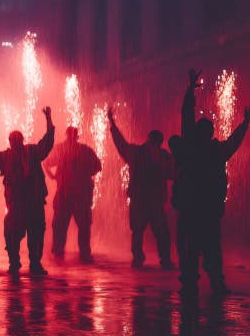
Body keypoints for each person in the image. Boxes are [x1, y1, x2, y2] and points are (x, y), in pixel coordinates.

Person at [173, 69, 249, 296]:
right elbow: (187, 115)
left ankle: (204, 281)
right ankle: (199, 282)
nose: (209, 133)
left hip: (201, 208)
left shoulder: (206, 150)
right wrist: (190, 91)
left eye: (209, 130)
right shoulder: (196, 149)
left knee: (206, 248)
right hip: (196, 207)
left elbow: (233, 142)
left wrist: (245, 124)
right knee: (198, 248)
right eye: (206, 130)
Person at [0, 107, 55, 276]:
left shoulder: (32, 151)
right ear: (10, 141)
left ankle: (34, 263)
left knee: (36, 234)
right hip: (17, 203)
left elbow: (47, 142)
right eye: (12, 139)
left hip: (32, 202)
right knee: (12, 233)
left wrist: (49, 119)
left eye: (17, 139)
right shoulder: (7, 156)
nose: (15, 142)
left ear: (21, 139)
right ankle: (14, 262)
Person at [108, 107, 175, 269]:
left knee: (151, 232)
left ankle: (149, 259)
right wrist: (112, 124)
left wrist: (112, 124)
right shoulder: (154, 155)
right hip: (147, 201)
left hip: (147, 201)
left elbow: (121, 144)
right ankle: (149, 259)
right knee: (147, 232)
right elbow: (121, 144)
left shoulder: (151, 155)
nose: (154, 145)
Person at [43, 126, 101, 262]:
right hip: (81, 195)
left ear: (66, 135)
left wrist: (52, 176)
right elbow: (98, 166)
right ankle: (84, 253)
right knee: (83, 226)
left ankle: (58, 253)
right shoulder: (85, 150)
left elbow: (46, 163)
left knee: (60, 225)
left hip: (65, 194)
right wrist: (86, 174)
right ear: (77, 136)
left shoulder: (61, 149)